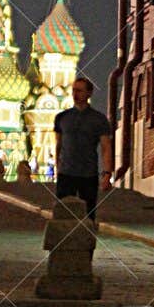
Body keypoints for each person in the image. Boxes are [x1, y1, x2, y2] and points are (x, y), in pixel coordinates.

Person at [54, 75, 113, 219]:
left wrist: (106, 174)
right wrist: (58, 166)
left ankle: (87, 239)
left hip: (88, 174)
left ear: (89, 93)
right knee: (63, 214)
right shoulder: (62, 117)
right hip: (66, 174)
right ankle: (64, 240)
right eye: (74, 90)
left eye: (79, 91)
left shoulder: (99, 119)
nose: (75, 94)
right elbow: (58, 145)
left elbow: (106, 147)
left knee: (88, 214)